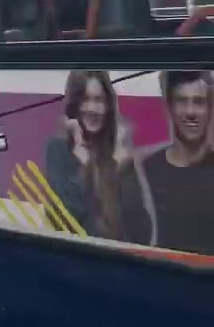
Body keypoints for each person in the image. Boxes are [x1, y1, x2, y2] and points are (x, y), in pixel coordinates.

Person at [44, 70, 152, 243]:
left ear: (108, 106)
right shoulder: (59, 150)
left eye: (98, 100)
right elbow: (62, 222)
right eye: (85, 99)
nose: (92, 109)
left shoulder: (116, 154)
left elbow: (143, 234)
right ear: (75, 104)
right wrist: (80, 162)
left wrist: (124, 166)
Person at [139, 71, 214, 255]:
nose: (190, 112)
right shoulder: (145, 171)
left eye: (198, 102)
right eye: (182, 101)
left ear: (210, 110)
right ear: (170, 108)